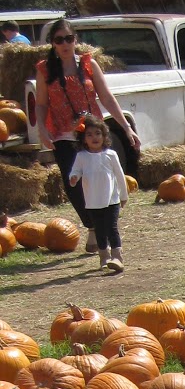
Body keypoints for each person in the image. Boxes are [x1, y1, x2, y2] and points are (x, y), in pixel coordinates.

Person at [35, 18, 141, 251]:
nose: (65, 44)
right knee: (73, 184)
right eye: (59, 40)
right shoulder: (45, 69)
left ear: (75, 40)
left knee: (98, 180)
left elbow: (106, 97)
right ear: (52, 43)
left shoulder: (88, 64)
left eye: (69, 38)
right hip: (64, 133)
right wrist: (42, 129)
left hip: (93, 133)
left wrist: (126, 127)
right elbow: (41, 104)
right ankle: (92, 226)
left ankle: (102, 228)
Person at [68, 114, 127, 272]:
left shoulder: (111, 155)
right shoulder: (81, 157)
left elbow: (120, 176)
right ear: (83, 139)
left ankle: (117, 257)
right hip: (92, 200)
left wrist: (123, 195)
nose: (94, 137)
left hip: (111, 200)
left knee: (112, 228)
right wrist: (74, 178)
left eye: (98, 133)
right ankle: (104, 257)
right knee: (99, 230)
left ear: (104, 136)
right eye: (89, 134)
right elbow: (75, 171)